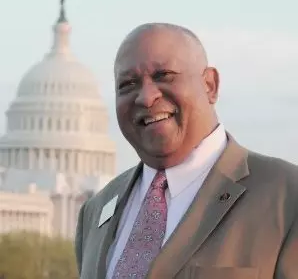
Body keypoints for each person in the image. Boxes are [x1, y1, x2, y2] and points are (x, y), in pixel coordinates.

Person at [75, 23, 298, 279]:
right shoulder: (96, 210)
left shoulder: (287, 197)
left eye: (164, 75)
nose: (146, 97)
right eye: (127, 84)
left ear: (210, 85)